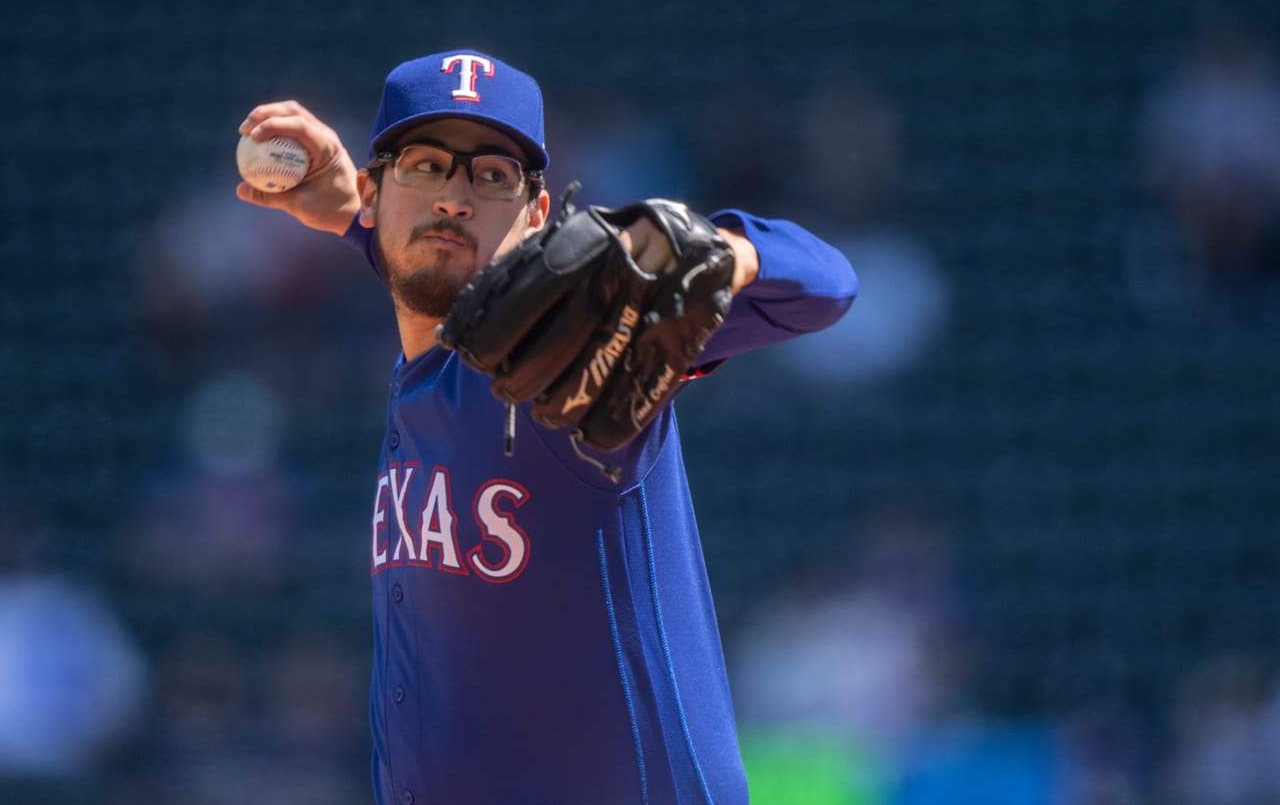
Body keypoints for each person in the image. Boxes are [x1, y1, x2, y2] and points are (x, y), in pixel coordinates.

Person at [235, 49, 857, 805]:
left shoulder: (574, 350)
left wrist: (726, 253)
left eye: (492, 176)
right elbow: (424, 273)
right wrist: (346, 216)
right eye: (426, 166)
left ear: (535, 215)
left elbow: (827, 287)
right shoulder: (427, 340)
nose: (456, 199)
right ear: (373, 190)